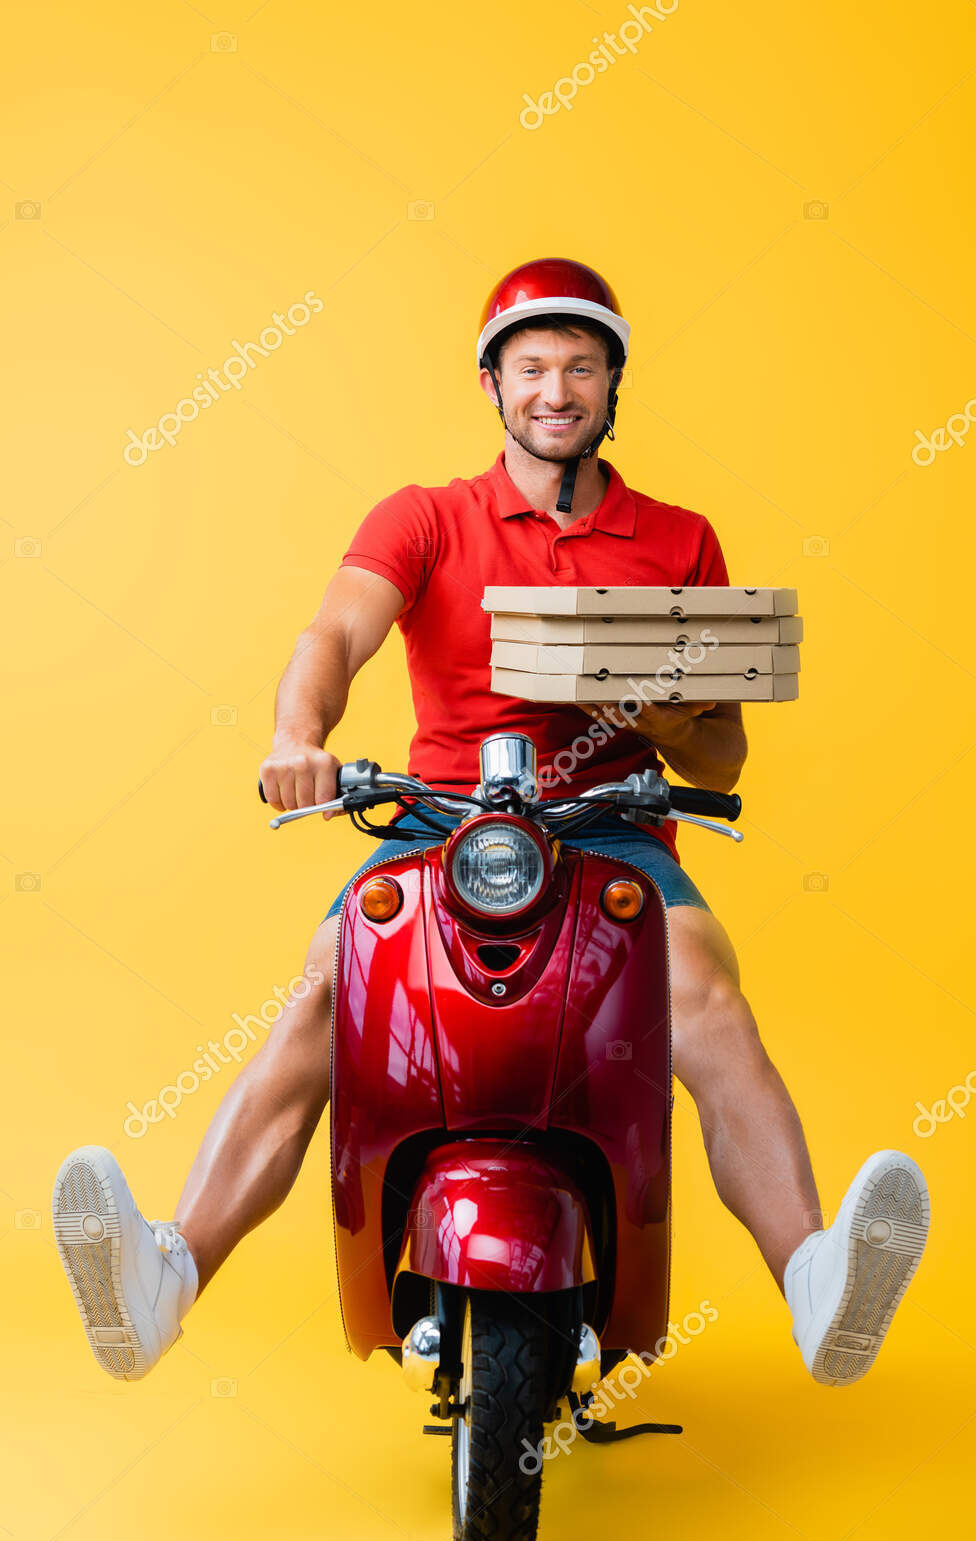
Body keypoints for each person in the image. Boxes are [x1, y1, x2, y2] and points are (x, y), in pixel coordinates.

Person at [52, 257, 929, 1390]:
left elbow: (725, 751)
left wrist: (667, 715)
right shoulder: (426, 518)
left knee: (702, 987)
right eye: (531, 367)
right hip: (439, 820)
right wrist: (296, 734)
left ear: (614, 384)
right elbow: (334, 635)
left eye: (580, 365)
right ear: (492, 383)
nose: (555, 388)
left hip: (610, 826)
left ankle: (813, 1277)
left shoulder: (680, 540)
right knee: (326, 988)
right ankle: (164, 1274)